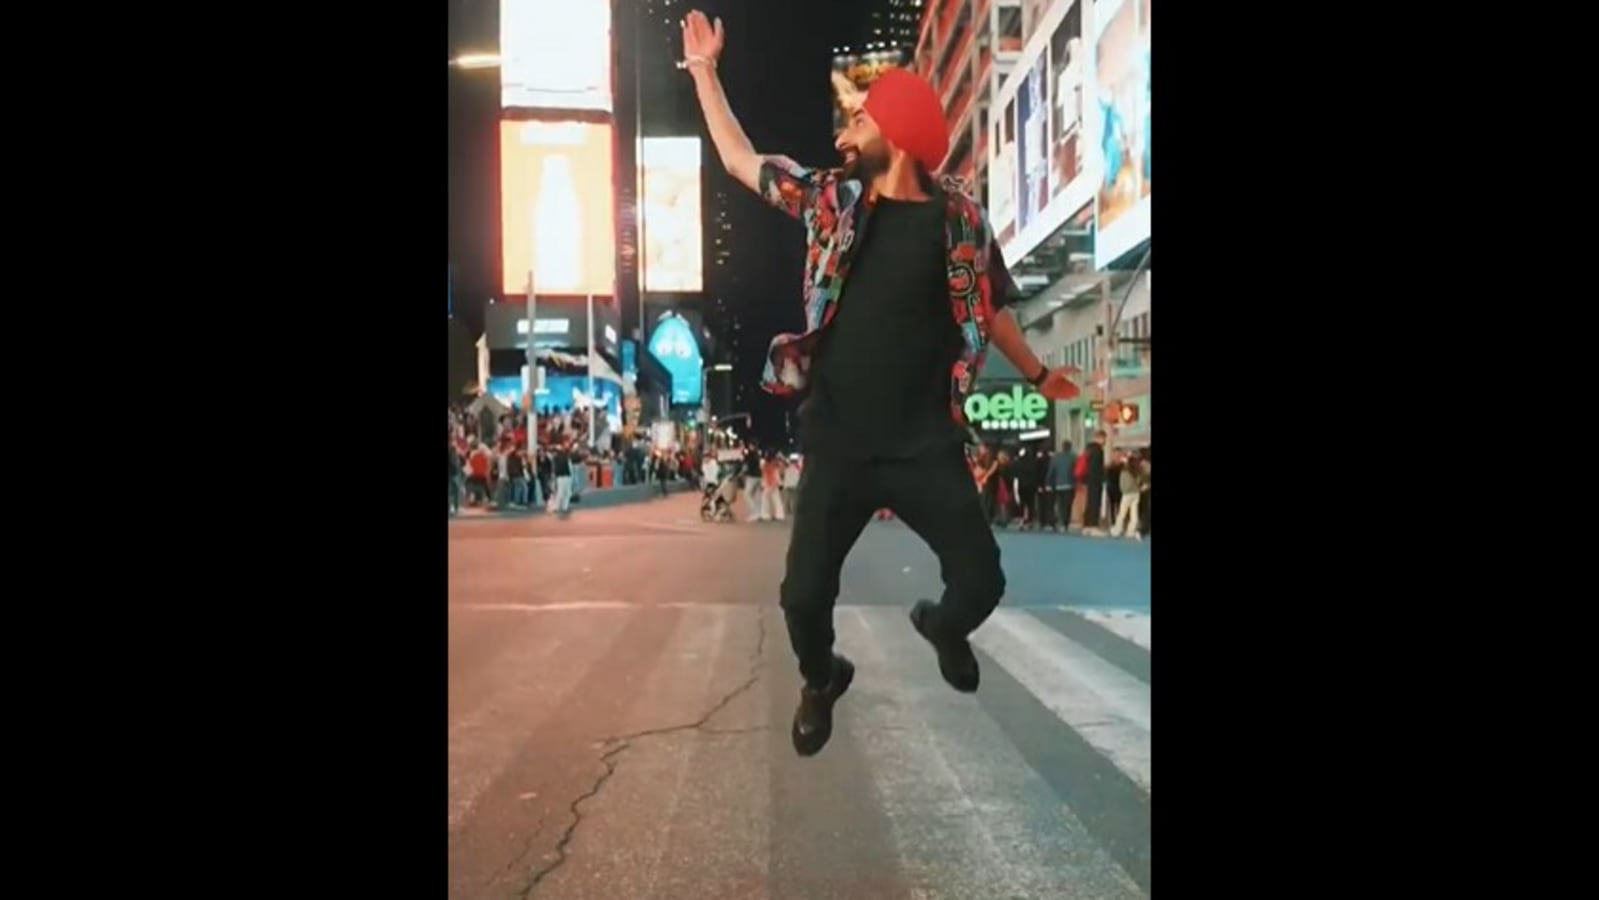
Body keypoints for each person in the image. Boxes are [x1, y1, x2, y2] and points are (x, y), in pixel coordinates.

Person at [680, 10, 1078, 757]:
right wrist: (704, 71)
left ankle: (941, 625)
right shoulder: (831, 201)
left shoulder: (959, 219)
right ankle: (822, 676)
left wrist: (1038, 371)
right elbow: (741, 161)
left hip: (922, 442)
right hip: (838, 441)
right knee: (802, 598)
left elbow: (987, 308)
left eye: (858, 117)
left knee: (980, 583)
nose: (842, 131)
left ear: (895, 128)